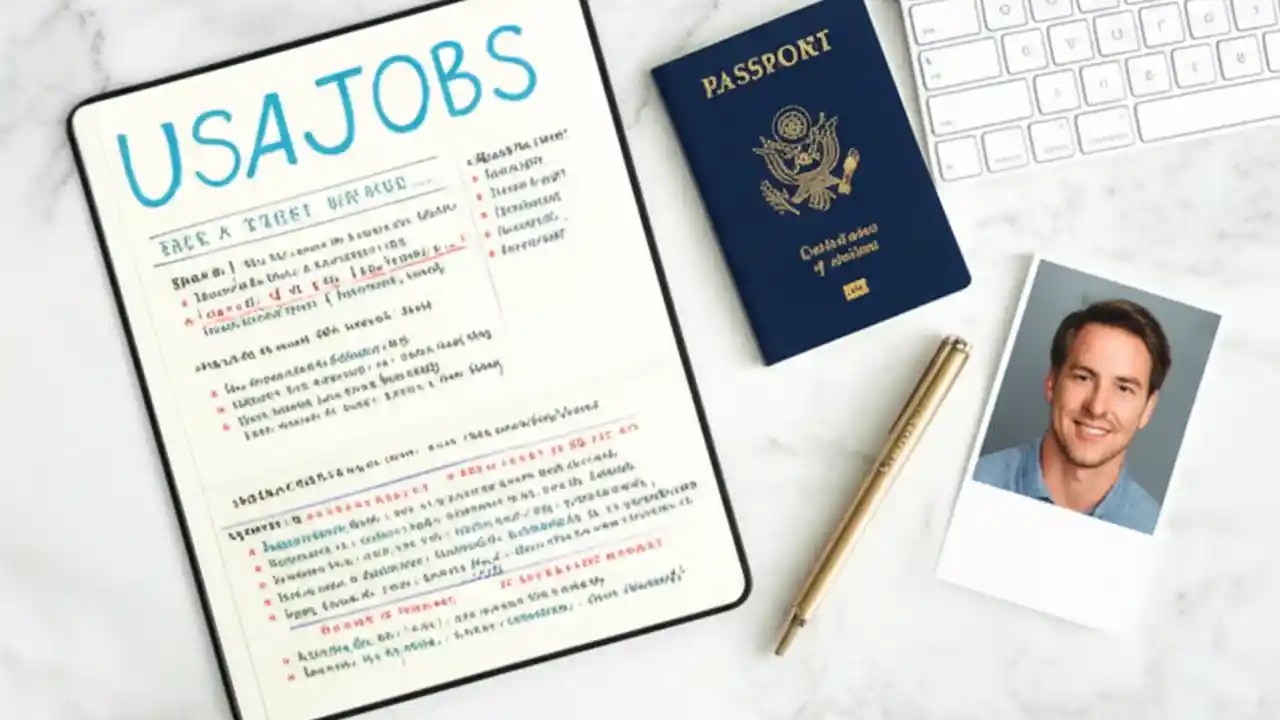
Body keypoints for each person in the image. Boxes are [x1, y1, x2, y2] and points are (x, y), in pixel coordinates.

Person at [975, 299, 1170, 534]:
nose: (1097, 408)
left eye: (1123, 388)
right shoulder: (975, 481)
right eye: (1083, 378)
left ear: (1148, 408)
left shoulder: (1153, 531)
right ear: (1051, 382)